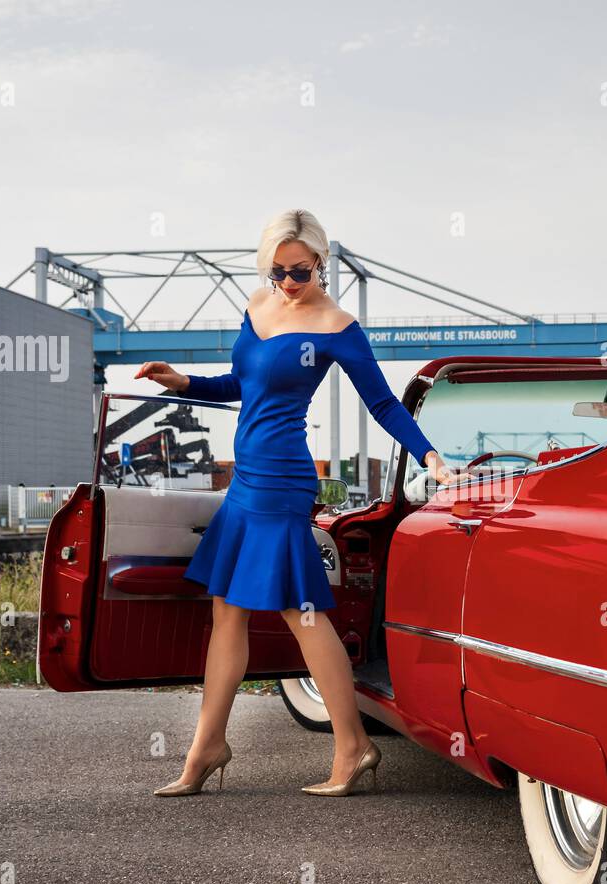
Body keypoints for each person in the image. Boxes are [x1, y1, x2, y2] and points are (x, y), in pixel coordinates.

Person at [135, 208, 462, 798]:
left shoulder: (338, 327)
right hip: (245, 479)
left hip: (284, 479)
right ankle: (207, 747)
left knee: (300, 610)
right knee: (226, 611)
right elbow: (243, 384)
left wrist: (429, 456)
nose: (287, 283)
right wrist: (185, 384)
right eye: (276, 272)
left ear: (320, 264)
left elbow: (384, 405)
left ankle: (353, 745)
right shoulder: (258, 309)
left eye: (299, 272)